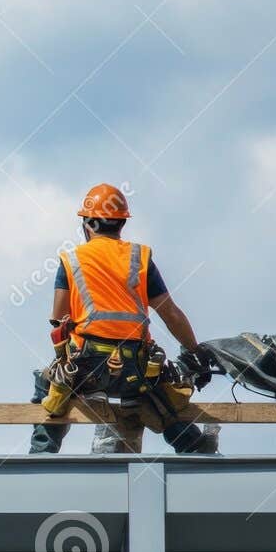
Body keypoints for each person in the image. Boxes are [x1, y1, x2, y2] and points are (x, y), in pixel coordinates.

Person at [29, 183, 218, 455]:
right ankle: (195, 450)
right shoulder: (138, 257)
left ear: (89, 223)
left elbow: (58, 319)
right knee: (161, 400)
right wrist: (195, 352)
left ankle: (42, 454)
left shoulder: (72, 259)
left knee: (49, 384)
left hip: (86, 371)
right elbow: (171, 313)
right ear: (120, 224)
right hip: (136, 371)